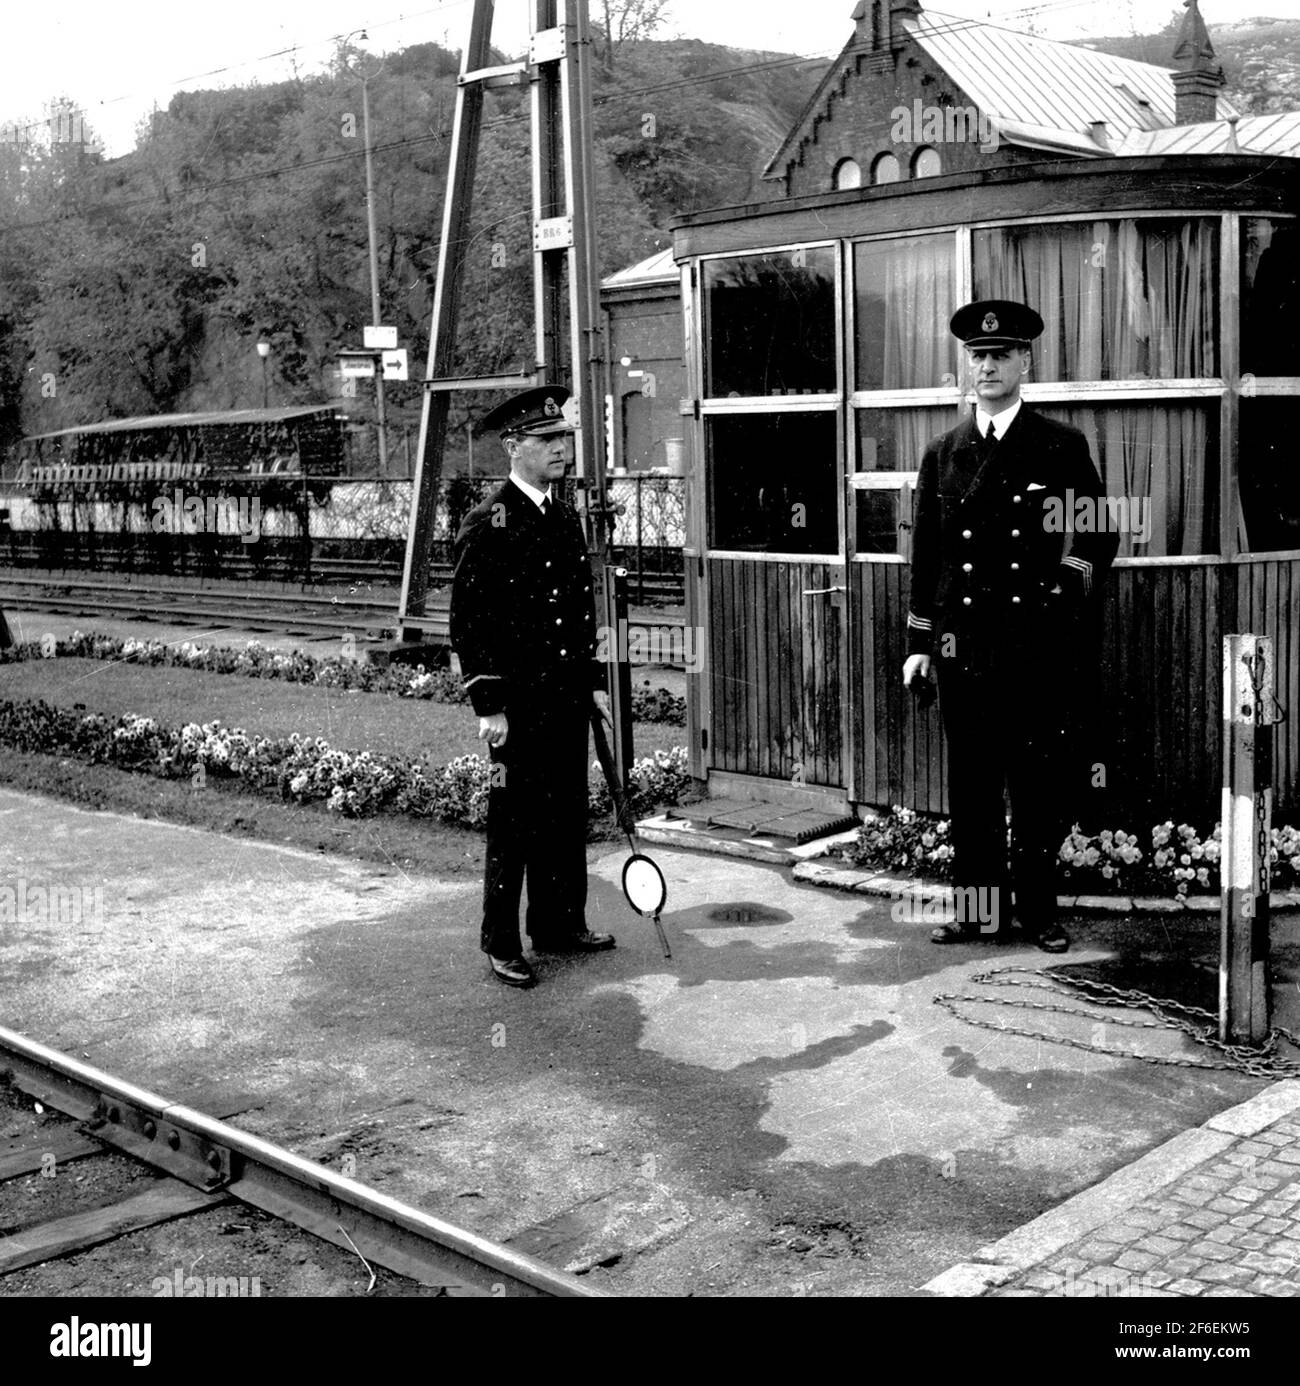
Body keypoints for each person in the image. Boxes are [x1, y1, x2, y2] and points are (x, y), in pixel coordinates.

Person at [902, 300, 1118, 953]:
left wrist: (1063, 592)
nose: (988, 365)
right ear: (966, 365)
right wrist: (918, 644)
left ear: (1026, 361)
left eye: (1000, 354)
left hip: (1035, 652)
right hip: (962, 652)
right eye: (977, 356)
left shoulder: (1059, 445)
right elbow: (930, 557)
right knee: (970, 791)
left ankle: (1038, 916)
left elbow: (1098, 532)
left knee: (1035, 790)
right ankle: (979, 916)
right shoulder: (944, 454)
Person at [450, 385, 614, 988]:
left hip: (565, 695)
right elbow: (469, 621)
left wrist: (592, 681)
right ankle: (501, 941)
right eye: (548, 441)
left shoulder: (562, 513)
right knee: (515, 819)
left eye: (564, 440)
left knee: (565, 812)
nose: (561, 451)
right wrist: (488, 703)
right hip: (517, 703)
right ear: (514, 447)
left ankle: (558, 924)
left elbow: (580, 608)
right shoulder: (487, 521)